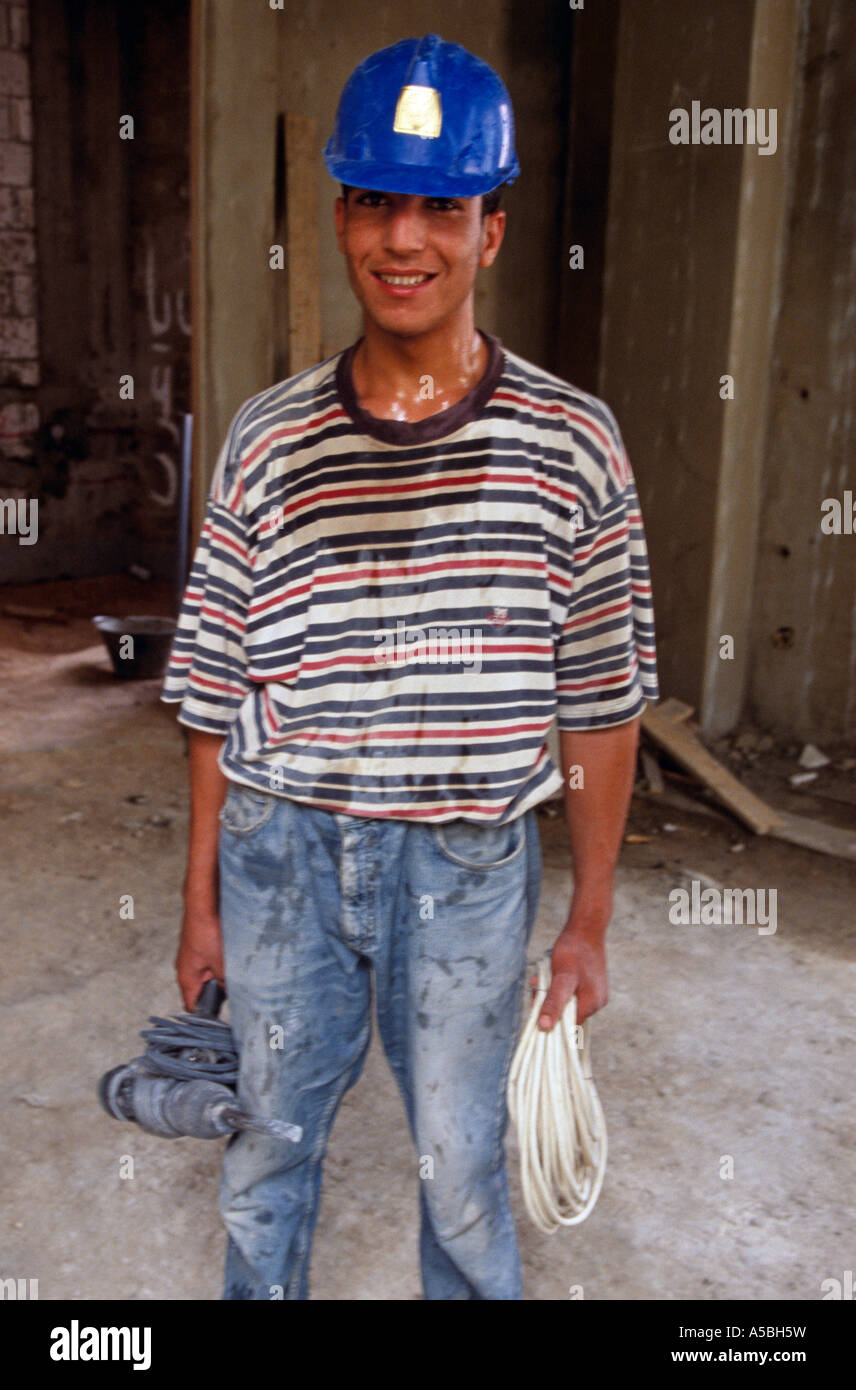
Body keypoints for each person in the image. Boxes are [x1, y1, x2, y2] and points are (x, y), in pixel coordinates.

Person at [162, 33, 659, 1301]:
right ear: (337, 218)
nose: (405, 238)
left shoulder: (573, 447)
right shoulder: (267, 439)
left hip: (467, 865)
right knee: (265, 1151)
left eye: (441, 205)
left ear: (489, 231)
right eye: (377, 200)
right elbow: (214, 688)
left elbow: (601, 708)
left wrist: (587, 919)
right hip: (281, 854)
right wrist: (200, 899)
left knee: (462, 1165)